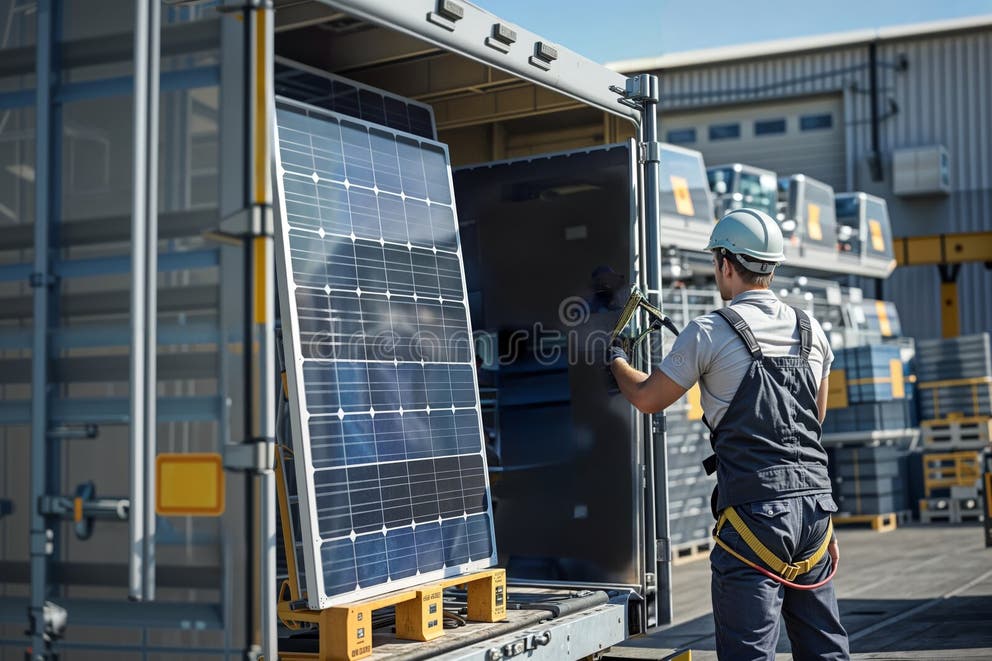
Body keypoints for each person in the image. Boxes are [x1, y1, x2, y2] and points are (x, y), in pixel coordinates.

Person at [609, 208, 850, 660]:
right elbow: (813, 422)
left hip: (756, 514)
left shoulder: (708, 331)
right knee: (824, 650)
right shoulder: (811, 331)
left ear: (725, 264)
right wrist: (821, 522)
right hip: (816, 512)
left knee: (749, 653)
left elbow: (646, 397)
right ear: (772, 268)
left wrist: (616, 359)